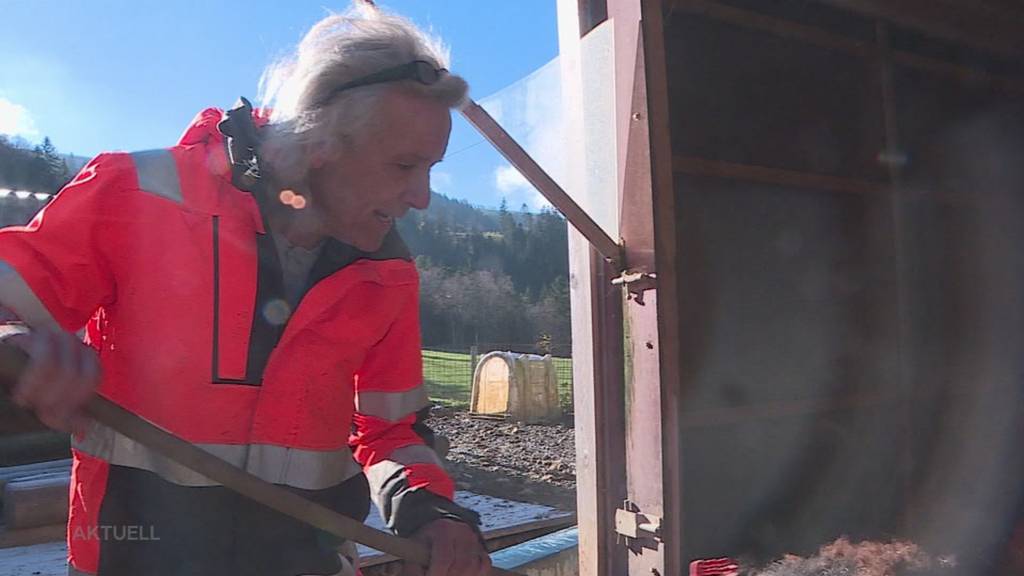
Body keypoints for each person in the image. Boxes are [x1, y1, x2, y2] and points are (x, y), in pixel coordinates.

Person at [0, 3, 491, 575]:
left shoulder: (387, 274)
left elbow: (392, 429)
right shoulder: (139, 198)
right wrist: (15, 344)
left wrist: (433, 513)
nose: (423, 197)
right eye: (405, 165)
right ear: (321, 140)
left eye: (431, 168)